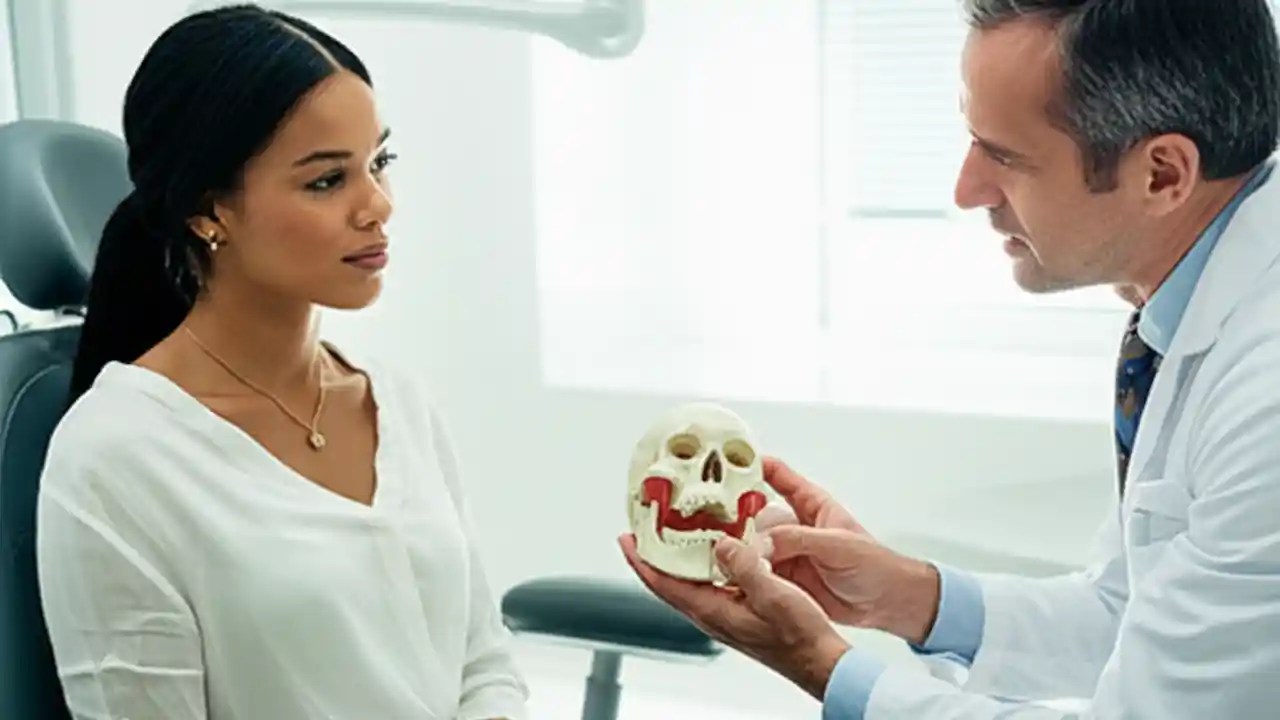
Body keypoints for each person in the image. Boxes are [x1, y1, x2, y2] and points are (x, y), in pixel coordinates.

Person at [621, 0, 1280, 717]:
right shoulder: (1188, 311)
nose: (966, 191)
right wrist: (909, 597)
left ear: (1162, 175)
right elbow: (1131, 611)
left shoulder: (1264, 398)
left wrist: (821, 666)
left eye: (1006, 157)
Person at [35, 4, 528, 719]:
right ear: (210, 212)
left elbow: (484, 664)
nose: (378, 206)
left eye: (379, 163)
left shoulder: (397, 403)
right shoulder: (115, 456)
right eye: (327, 181)